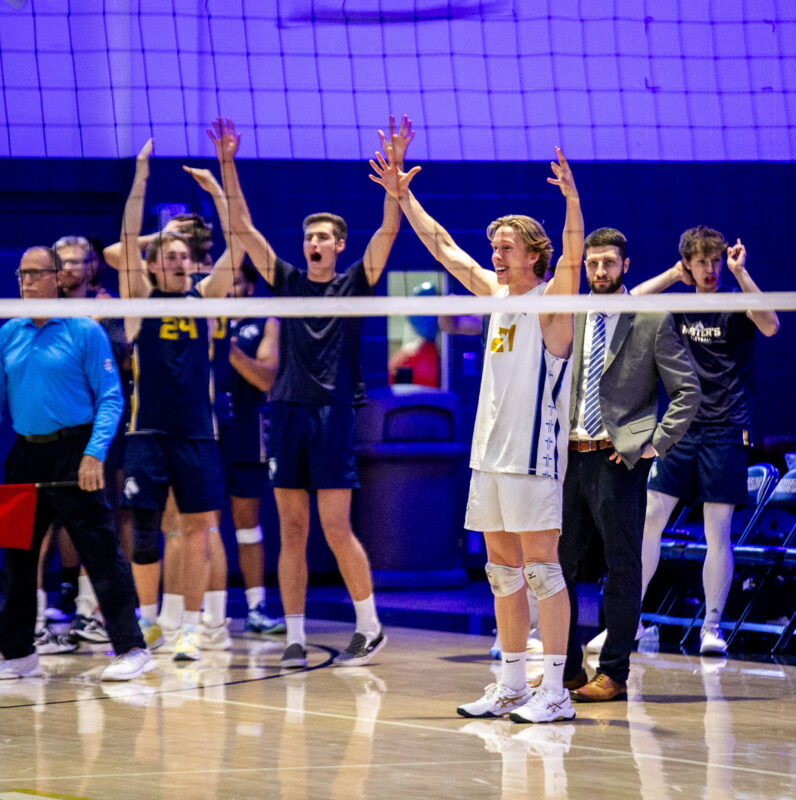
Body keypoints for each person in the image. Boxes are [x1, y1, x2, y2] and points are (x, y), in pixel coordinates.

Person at [370, 143, 583, 723]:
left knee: (542, 569)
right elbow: (443, 246)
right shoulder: (495, 296)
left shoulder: (552, 303)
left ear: (533, 255)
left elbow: (572, 254)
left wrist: (571, 200)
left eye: (506, 247)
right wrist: (404, 197)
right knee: (501, 569)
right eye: (495, 247)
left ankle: (556, 690)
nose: (495, 255)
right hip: (489, 455)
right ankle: (512, 684)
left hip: (533, 455)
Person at [215, 114, 415, 669]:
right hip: (285, 413)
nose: (314, 243)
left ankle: (370, 626)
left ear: (339, 244)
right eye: (309, 237)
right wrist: (228, 165)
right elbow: (243, 228)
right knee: (293, 530)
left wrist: (395, 180)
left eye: (323, 236)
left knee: (334, 526)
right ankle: (296, 636)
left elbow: (388, 233)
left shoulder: (355, 283)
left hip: (333, 413)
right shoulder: (286, 281)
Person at [555, 227, 700, 702]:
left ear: (625, 266)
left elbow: (687, 390)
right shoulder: (569, 313)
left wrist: (653, 443)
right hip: (568, 456)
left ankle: (614, 672)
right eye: (593, 263)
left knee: (621, 565)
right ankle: (568, 669)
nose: (600, 271)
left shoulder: (651, 319)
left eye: (609, 263)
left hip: (619, 458)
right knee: (557, 565)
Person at [0, 247, 153, 681]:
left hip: (75, 453)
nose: (27, 281)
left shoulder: (84, 330)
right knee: (16, 560)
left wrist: (94, 453)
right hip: (25, 457)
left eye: (35, 273)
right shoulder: (8, 332)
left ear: (57, 277)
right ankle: (17, 654)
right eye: (22, 274)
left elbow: (111, 397)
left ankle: (132, 648)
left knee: (100, 552)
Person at [633, 226, 779, 656]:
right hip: (679, 428)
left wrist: (741, 273)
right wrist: (671, 275)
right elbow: (631, 302)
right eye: (701, 262)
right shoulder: (678, 305)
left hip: (727, 428)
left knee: (718, 529)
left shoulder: (736, 300)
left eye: (715, 261)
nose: (710, 268)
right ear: (688, 264)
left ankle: (711, 628)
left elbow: (771, 325)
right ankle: (630, 623)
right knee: (649, 519)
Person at [116, 139, 236, 662]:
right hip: (146, 433)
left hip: (197, 434)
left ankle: (189, 627)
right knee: (145, 533)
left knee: (196, 531)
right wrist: (140, 178)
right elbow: (126, 240)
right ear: (154, 265)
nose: (180, 261)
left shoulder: (204, 299)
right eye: (170, 256)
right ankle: (148, 625)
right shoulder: (139, 301)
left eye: (186, 255)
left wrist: (220, 193)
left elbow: (240, 247)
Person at [211, 261, 284, 635]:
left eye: (237, 282)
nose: (229, 289)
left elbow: (267, 378)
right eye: (226, 283)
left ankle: (256, 609)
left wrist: (230, 350)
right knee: (204, 527)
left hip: (247, 434)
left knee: (247, 526)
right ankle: (210, 615)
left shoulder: (266, 321)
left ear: (251, 285)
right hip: (206, 433)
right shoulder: (202, 319)